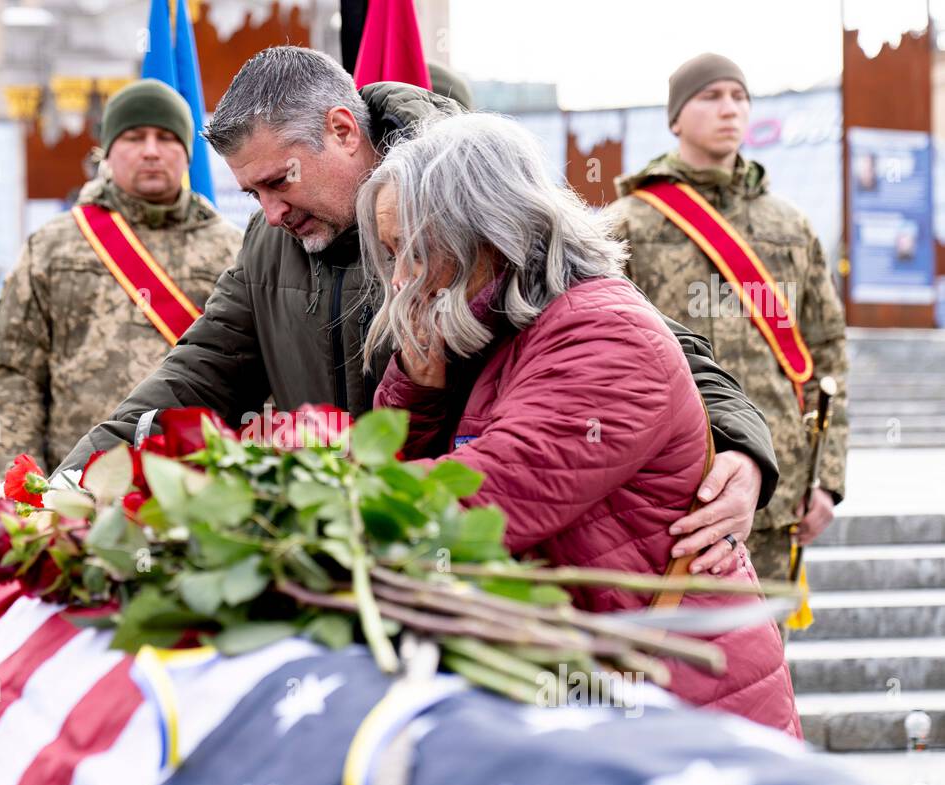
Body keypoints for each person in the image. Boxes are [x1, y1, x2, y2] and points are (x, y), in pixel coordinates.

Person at [58, 46, 780, 575]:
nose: (270, 211)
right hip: (378, 579)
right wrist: (63, 489)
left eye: (280, 181)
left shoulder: (473, 211)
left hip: (470, 576)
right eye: (253, 194)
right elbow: (196, 375)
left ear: (342, 130)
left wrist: (743, 450)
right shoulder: (268, 245)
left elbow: (642, 340)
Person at [366, 112, 800, 734]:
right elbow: (409, 476)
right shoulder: (498, 328)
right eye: (389, 257)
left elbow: (479, 503)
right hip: (618, 693)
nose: (401, 280)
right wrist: (419, 385)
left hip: (683, 710)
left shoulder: (601, 332)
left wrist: (307, 512)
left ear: (486, 233)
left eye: (409, 251)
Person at [610, 54, 849, 581]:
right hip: (670, 492)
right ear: (675, 118)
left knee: (769, 655)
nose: (730, 109)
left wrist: (826, 476)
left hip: (777, 487)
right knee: (672, 655)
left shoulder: (790, 226)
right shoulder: (628, 223)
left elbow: (828, 353)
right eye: (711, 96)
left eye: (739, 97)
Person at [0, 79, 243, 482]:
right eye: (135, 137)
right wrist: (24, 489)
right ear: (108, 151)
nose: (151, 150)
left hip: (199, 488)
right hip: (79, 491)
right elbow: (10, 373)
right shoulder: (55, 246)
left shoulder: (234, 249)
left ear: (187, 154)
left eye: (167, 137)